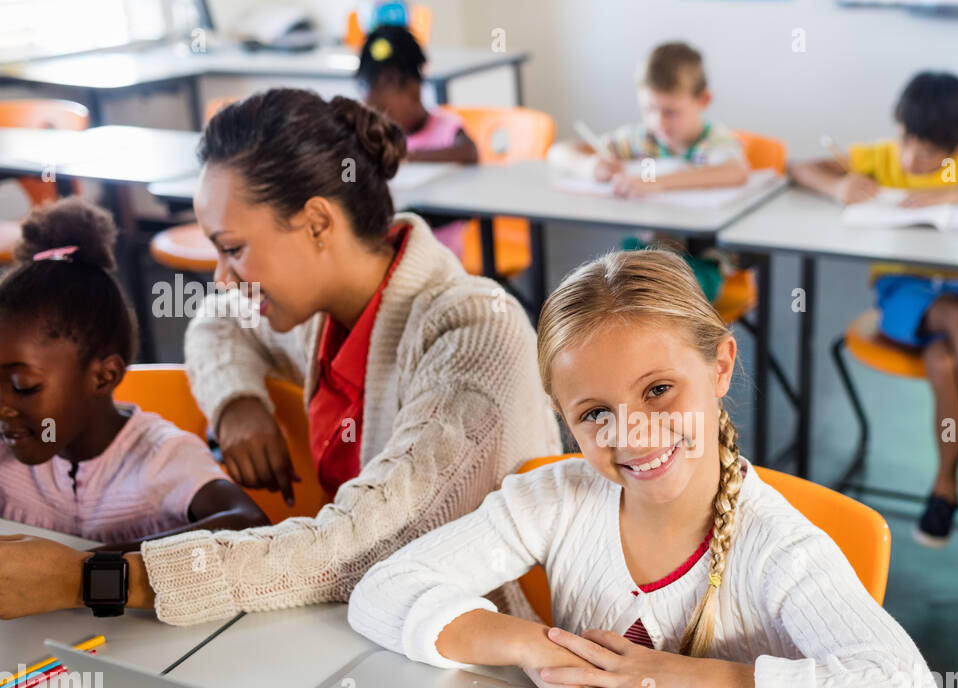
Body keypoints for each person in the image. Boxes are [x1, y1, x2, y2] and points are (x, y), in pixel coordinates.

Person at [349, 249, 946, 688]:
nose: (632, 434)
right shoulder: (553, 498)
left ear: (720, 367)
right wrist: (537, 646)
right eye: (594, 414)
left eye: (658, 391)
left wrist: (689, 682)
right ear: (566, 422)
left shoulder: (781, 550)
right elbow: (383, 590)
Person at [0, 89, 560, 623]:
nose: (221, 276)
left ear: (317, 223)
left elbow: (361, 543)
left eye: (234, 249)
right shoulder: (315, 309)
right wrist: (236, 401)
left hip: (482, 664)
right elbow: (215, 321)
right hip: (356, 628)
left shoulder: (474, 333)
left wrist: (90, 578)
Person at [791, 71, 958, 548]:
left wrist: (953, 190)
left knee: (944, 358)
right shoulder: (881, 158)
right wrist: (839, 187)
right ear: (899, 127)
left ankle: (944, 490)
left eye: (931, 151)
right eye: (908, 139)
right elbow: (800, 168)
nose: (914, 157)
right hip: (902, 295)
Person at [0, 196, 266, 549]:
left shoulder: (160, 458)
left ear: (103, 377)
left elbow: (251, 525)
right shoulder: (8, 453)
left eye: (23, 386)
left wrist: (80, 569)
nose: (3, 404)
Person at [546, 40, 748, 301]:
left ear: (703, 100)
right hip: (644, 251)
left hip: (700, 259)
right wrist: (591, 166)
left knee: (664, 302)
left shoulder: (713, 141)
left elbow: (735, 172)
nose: (658, 121)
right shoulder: (643, 139)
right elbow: (559, 151)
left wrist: (658, 183)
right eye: (649, 109)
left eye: (671, 112)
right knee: (606, 293)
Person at [356, 23, 478, 259]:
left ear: (413, 91)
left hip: (440, 254)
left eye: (384, 110)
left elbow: (469, 152)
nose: (380, 118)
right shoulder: (375, 136)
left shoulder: (445, 126)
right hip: (388, 253)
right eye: (373, 110)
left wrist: (409, 156)